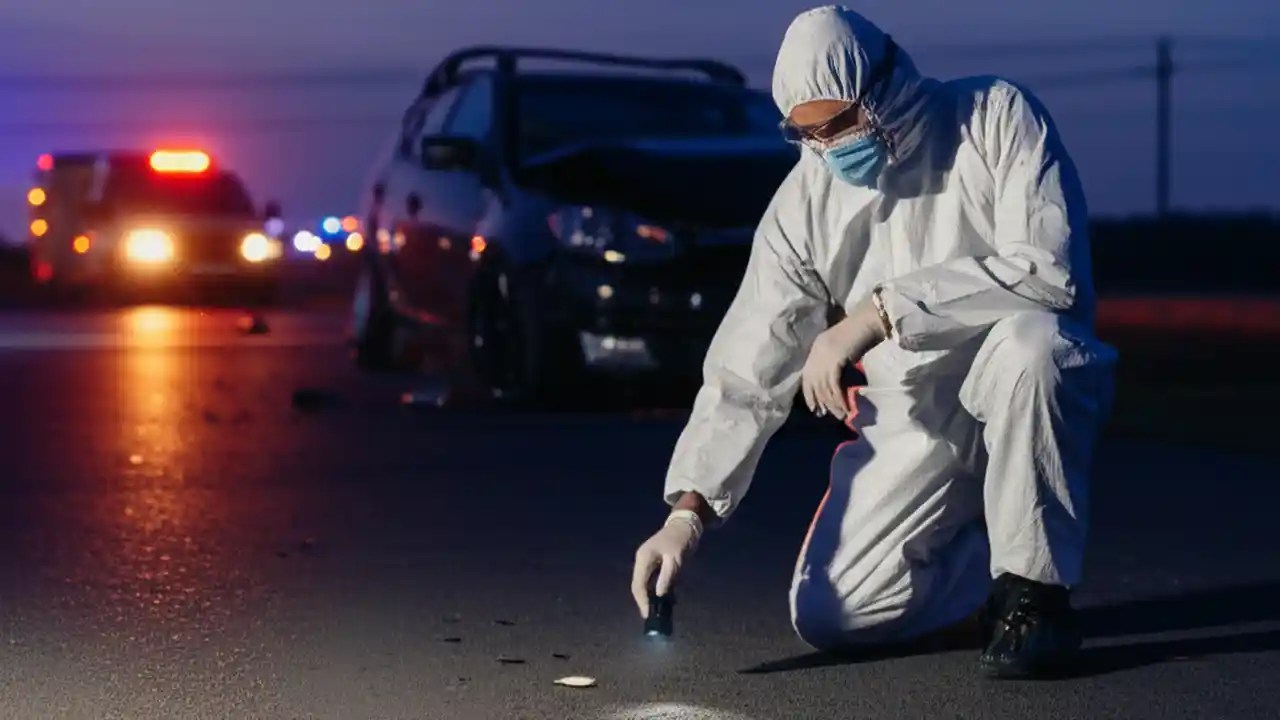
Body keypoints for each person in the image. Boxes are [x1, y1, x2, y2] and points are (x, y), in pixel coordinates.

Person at [630, 5, 1116, 679]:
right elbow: (751, 362)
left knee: (1035, 347)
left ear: (887, 88)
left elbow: (1048, 273)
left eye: (837, 125)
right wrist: (687, 512)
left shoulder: (996, 118)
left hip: (1019, 382)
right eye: (806, 134)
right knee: (834, 613)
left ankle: (1034, 600)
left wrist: (877, 314)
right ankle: (990, 568)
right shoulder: (807, 196)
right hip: (914, 412)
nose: (829, 147)